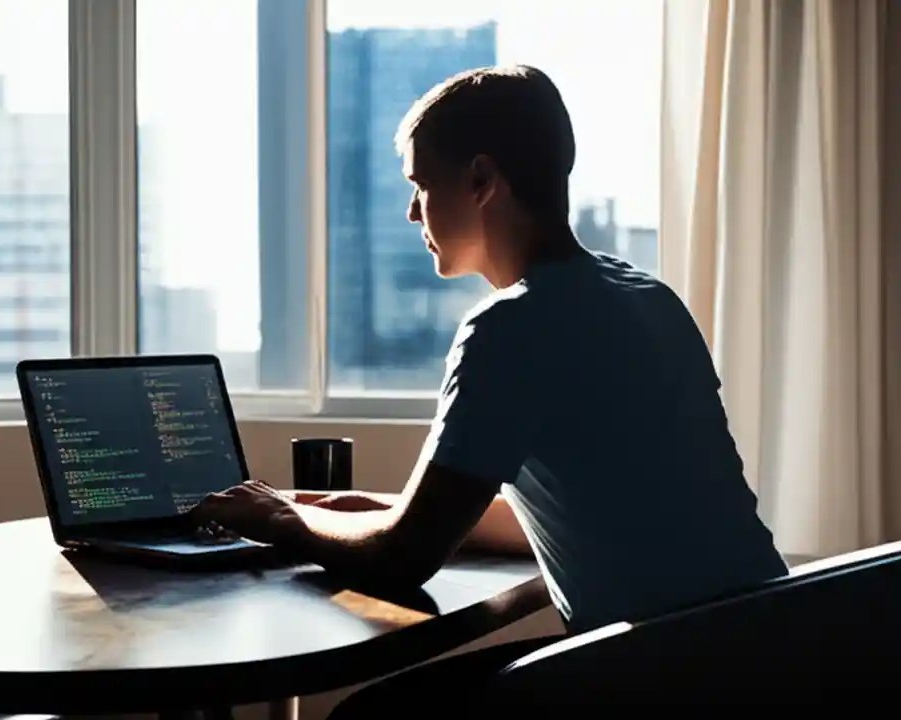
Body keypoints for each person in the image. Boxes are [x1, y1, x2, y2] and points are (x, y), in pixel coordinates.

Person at [191, 64, 788, 713]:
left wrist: (282, 520)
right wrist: (369, 510)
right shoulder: (649, 298)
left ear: (481, 180)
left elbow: (403, 558)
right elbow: (590, 509)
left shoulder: (509, 328)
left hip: (658, 677)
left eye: (420, 184)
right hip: (764, 653)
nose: (411, 211)